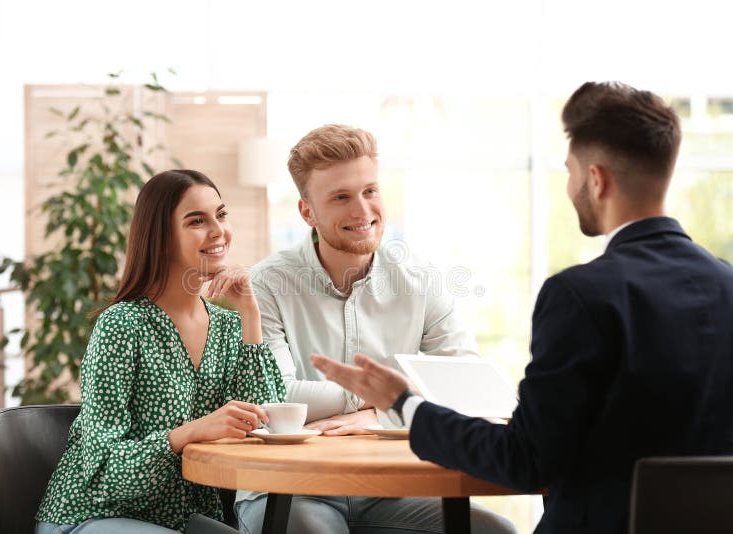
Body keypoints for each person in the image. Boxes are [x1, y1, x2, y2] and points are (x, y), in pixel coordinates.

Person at [312, 81, 733, 534]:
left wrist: (402, 402)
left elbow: (524, 460)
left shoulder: (580, 295)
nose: (570, 186)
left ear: (597, 179)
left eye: (570, 171)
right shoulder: (727, 283)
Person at [235, 125, 516, 534]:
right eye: (341, 197)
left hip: (394, 490)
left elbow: (469, 392)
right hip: (290, 487)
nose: (362, 211)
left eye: (370, 191)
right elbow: (275, 396)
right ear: (307, 212)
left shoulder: (422, 282)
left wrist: (378, 417)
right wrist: (388, 398)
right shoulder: (267, 284)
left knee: (497, 532)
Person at [35, 169, 286, 534]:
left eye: (221, 214)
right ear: (162, 237)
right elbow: (103, 469)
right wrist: (187, 434)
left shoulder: (230, 328)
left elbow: (267, 424)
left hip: (184, 521)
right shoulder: (122, 325)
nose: (218, 231)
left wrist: (250, 313)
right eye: (197, 221)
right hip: (92, 515)